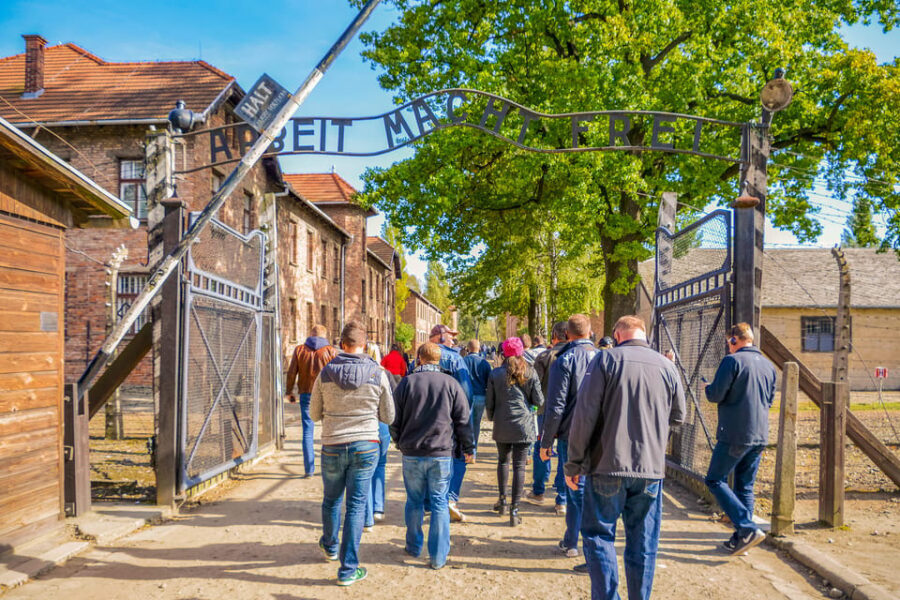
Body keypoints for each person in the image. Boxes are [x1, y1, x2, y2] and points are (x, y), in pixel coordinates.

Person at [566, 315, 685, 600]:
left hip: (607, 464)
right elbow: (679, 416)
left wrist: (574, 463)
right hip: (650, 469)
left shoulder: (606, 361)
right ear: (643, 334)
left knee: (598, 536)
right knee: (642, 542)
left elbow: (585, 416)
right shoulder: (667, 366)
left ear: (617, 335)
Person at [309, 321, 395, 586]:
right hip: (366, 444)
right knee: (356, 505)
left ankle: (331, 546)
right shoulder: (377, 373)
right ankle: (348, 570)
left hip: (333, 443)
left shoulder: (325, 374)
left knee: (331, 500)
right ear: (364, 344)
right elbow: (389, 416)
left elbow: (313, 414)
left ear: (341, 344)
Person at [391, 342, 475, 569]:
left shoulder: (407, 383)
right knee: (439, 502)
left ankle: (414, 545)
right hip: (441, 452)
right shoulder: (451, 384)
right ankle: (438, 557)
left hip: (412, 451)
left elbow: (393, 418)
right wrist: (468, 448)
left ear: (419, 358)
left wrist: (399, 441)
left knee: (414, 500)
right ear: (439, 360)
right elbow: (463, 420)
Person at [704, 322, 776, 556]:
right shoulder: (768, 365)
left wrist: (707, 388)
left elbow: (716, 394)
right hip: (760, 433)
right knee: (745, 485)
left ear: (734, 340)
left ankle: (747, 527)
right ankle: (742, 538)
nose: (729, 346)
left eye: (729, 342)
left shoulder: (732, 361)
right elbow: (769, 399)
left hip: (735, 432)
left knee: (714, 479)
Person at [541, 314, 596, 562]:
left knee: (575, 488)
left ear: (567, 335)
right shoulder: (605, 358)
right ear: (590, 332)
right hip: (599, 432)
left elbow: (556, 406)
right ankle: (583, 542)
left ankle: (575, 541)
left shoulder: (563, 361)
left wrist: (546, 441)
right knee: (592, 488)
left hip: (570, 433)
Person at [486, 337, 544, 526]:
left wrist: (493, 416)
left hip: (503, 423)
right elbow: (539, 400)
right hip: (524, 425)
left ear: (503, 353)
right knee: (519, 466)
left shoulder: (496, 374)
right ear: (521, 352)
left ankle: (502, 501)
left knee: (503, 461)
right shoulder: (529, 371)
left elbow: (490, 402)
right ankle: (515, 509)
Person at [430, 324, 474, 522]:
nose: (453, 341)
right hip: (450, 418)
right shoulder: (455, 359)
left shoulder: (419, 359)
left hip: (424, 419)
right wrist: (464, 417)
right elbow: (466, 392)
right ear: (438, 337)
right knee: (457, 457)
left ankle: (428, 502)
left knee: (426, 457)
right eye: (450, 336)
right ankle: (449, 498)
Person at [526, 321, 569, 515]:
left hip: (546, 410)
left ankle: (539, 491)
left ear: (554, 336)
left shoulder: (545, 356)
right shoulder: (577, 355)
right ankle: (562, 498)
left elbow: (534, 385)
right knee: (566, 453)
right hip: (570, 412)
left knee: (543, 448)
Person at [285, 325, 338, 478]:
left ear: (310, 334)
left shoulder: (300, 350)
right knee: (328, 431)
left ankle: (309, 470)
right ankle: (329, 468)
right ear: (324, 335)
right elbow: (336, 374)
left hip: (307, 394)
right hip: (327, 395)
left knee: (308, 431)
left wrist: (289, 391)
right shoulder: (331, 351)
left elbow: (291, 372)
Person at [463, 339, 492, 454]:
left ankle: (466, 450)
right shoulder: (484, 363)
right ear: (479, 348)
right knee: (476, 424)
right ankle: (473, 451)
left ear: (468, 348)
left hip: (466, 396)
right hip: (480, 395)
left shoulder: (463, 361)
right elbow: (489, 381)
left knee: (465, 423)